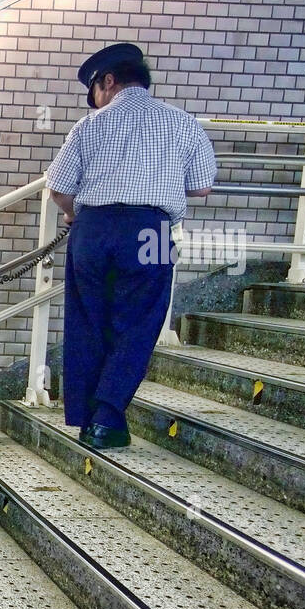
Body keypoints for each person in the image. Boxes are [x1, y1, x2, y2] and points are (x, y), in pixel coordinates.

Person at [45, 43, 216, 448]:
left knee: (88, 321)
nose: (96, 101)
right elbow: (202, 186)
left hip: (93, 228)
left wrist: (72, 217)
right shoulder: (184, 123)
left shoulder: (90, 125)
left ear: (108, 81)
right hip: (151, 229)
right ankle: (107, 416)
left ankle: (88, 416)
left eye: (96, 92)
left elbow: (58, 189)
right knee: (140, 323)